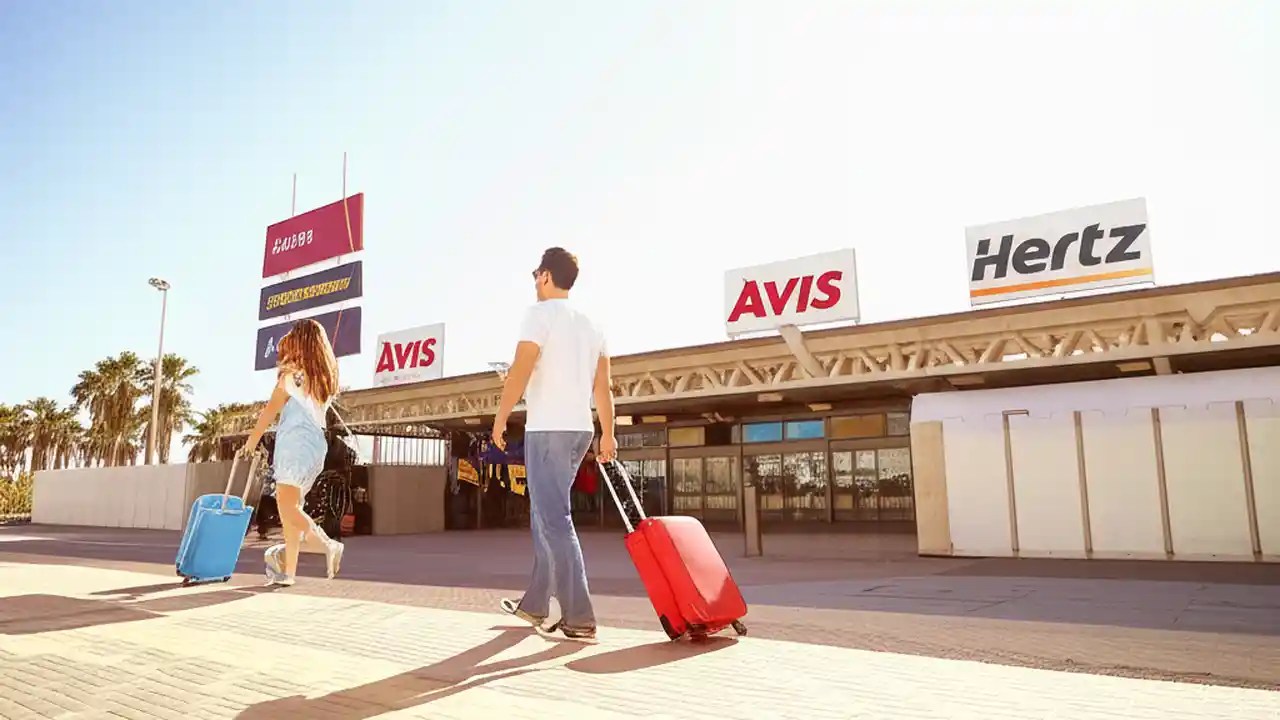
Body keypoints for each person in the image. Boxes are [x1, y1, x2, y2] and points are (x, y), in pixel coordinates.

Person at [493, 247, 617, 643]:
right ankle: (535, 603)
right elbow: (604, 387)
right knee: (544, 515)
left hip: (547, 430)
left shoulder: (538, 315)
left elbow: (521, 370)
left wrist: (500, 417)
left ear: (546, 275)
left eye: (535, 274)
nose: (534, 281)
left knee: (555, 520)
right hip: (578, 430)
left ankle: (580, 617)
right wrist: (607, 433)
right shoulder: (592, 324)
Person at [242, 318, 345, 587]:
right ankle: (288, 572)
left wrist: (251, 442)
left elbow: (269, 411)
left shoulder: (295, 376)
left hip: (295, 444)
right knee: (291, 512)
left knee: (287, 507)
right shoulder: (323, 380)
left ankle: (326, 545)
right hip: (315, 448)